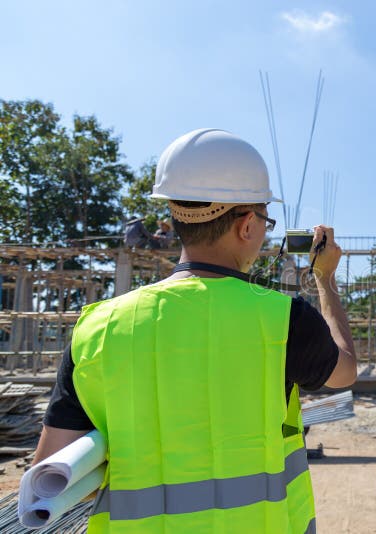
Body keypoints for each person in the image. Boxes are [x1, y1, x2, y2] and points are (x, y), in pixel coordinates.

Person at [32, 128, 357, 533]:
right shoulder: (283, 318)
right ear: (247, 226)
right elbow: (344, 372)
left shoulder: (99, 327)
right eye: (266, 220)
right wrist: (325, 280)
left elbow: (53, 477)